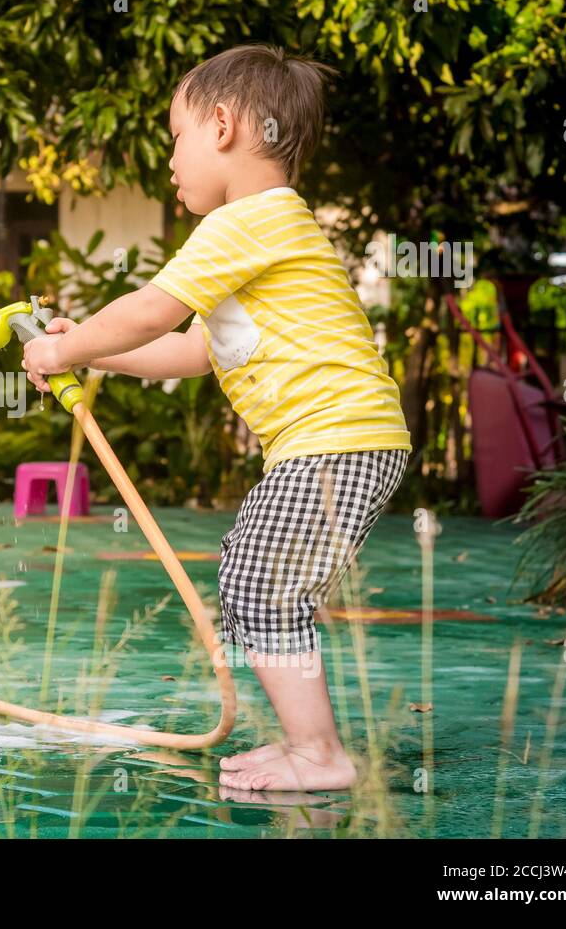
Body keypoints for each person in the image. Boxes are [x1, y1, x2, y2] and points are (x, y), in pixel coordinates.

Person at [21, 44, 411, 792]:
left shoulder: (249, 222)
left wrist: (74, 345)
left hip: (337, 439)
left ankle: (319, 755)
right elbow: (194, 347)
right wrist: (86, 351)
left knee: (263, 581)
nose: (170, 160)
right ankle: (307, 745)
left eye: (176, 138)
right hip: (343, 440)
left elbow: (148, 310)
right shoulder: (264, 231)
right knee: (256, 574)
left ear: (225, 125)